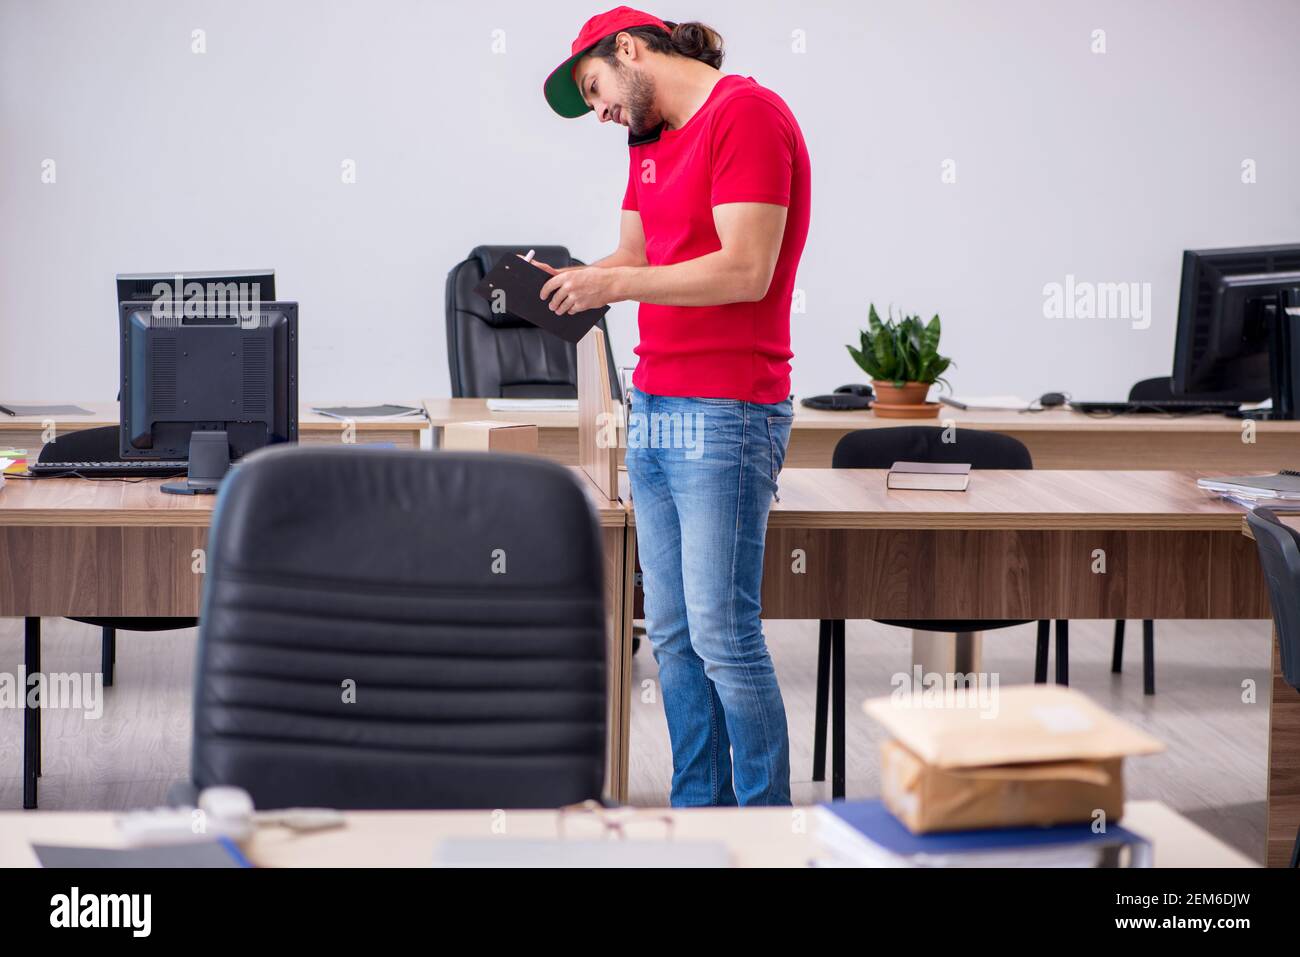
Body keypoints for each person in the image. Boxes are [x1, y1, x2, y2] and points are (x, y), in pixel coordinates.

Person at [538, 6, 811, 806]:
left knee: (725, 635)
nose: (601, 111)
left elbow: (745, 270)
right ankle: (698, 817)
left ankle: (762, 827)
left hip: (729, 407)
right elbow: (633, 255)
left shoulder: (747, 115)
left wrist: (613, 284)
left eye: (595, 90)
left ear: (629, 50)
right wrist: (565, 282)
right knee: (673, 635)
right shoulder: (648, 139)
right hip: (655, 402)